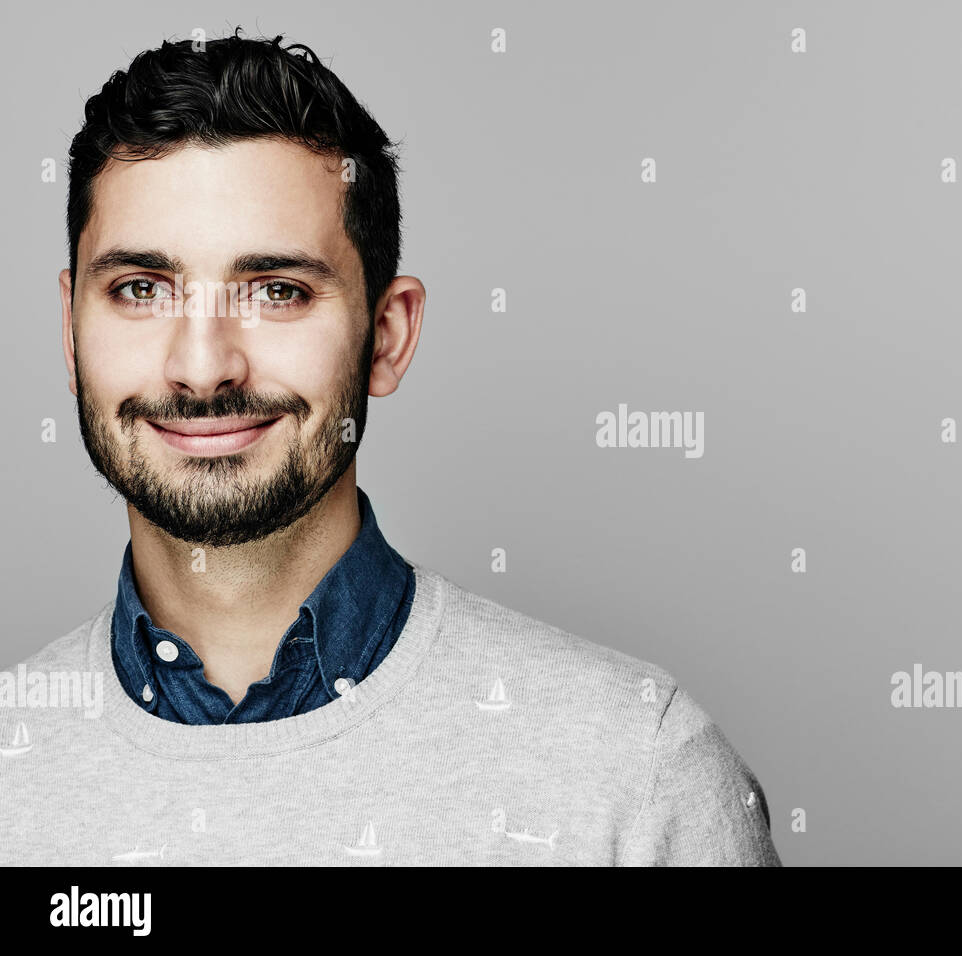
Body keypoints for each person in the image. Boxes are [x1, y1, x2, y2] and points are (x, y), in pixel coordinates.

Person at [0, 29, 780, 866]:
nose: (202, 367)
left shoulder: (637, 773)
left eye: (277, 290)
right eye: (141, 289)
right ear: (70, 330)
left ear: (387, 336)